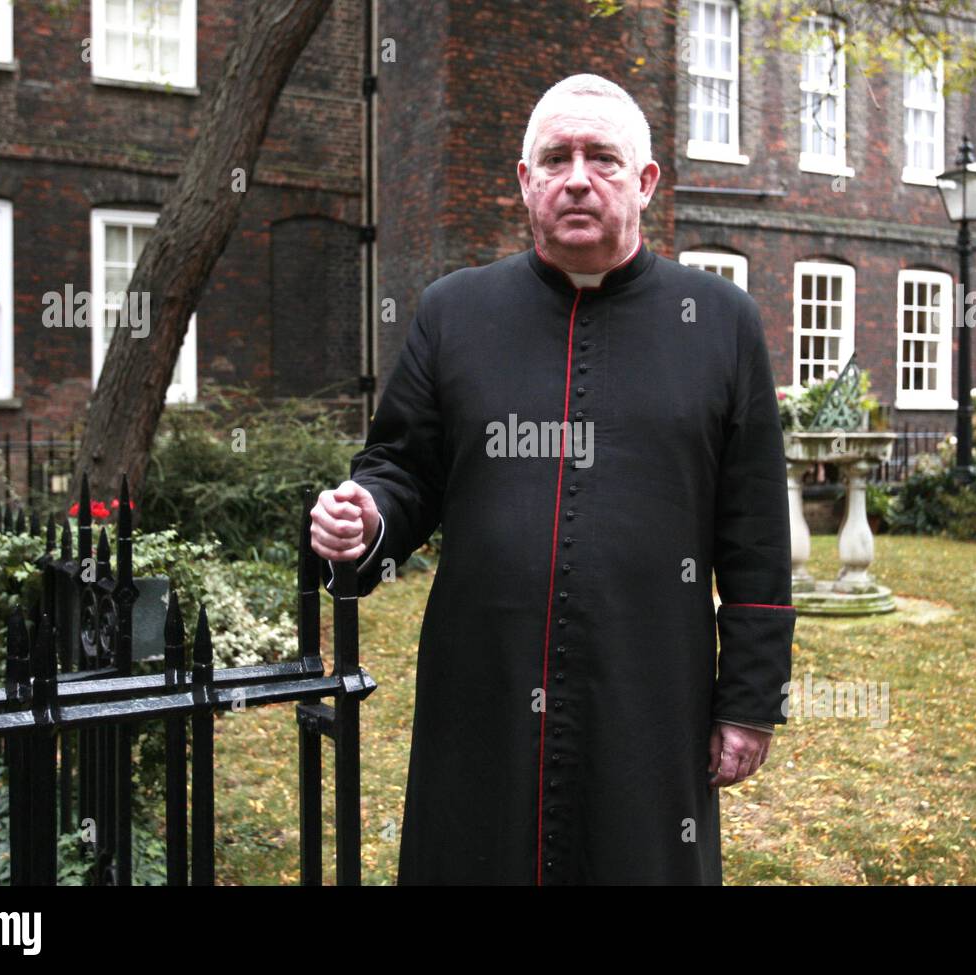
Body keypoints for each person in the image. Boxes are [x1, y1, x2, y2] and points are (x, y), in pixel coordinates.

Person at [310, 73, 794, 885]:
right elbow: (401, 470)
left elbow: (755, 534)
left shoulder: (721, 322)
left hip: (650, 686)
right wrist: (367, 519)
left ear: (645, 181)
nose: (577, 178)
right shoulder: (454, 312)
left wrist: (749, 700)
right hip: (483, 682)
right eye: (556, 158)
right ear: (524, 180)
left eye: (602, 158)